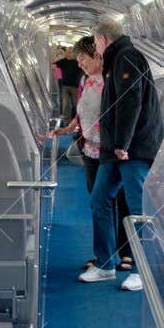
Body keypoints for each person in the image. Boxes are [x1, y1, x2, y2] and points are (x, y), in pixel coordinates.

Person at [79, 16, 163, 291]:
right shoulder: (115, 60)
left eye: (95, 43)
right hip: (116, 148)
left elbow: (130, 102)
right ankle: (105, 264)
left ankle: (144, 269)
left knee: (138, 208)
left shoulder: (127, 57)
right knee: (99, 199)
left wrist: (123, 144)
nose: (96, 48)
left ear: (103, 39)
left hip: (132, 148)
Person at [44, 37, 133, 273]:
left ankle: (126, 252)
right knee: (98, 203)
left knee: (120, 202)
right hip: (90, 149)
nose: (80, 63)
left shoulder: (112, 79)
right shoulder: (86, 80)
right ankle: (105, 253)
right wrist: (68, 128)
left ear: (96, 56)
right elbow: (81, 110)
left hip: (113, 150)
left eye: (83, 58)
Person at [53, 46, 81, 120]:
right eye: (67, 52)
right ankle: (66, 119)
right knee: (65, 104)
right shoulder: (63, 61)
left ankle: (75, 118)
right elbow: (54, 64)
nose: (68, 54)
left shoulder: (76, 62)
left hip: (75, 86)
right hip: (65, 85)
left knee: (75, 103)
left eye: (70, 52)